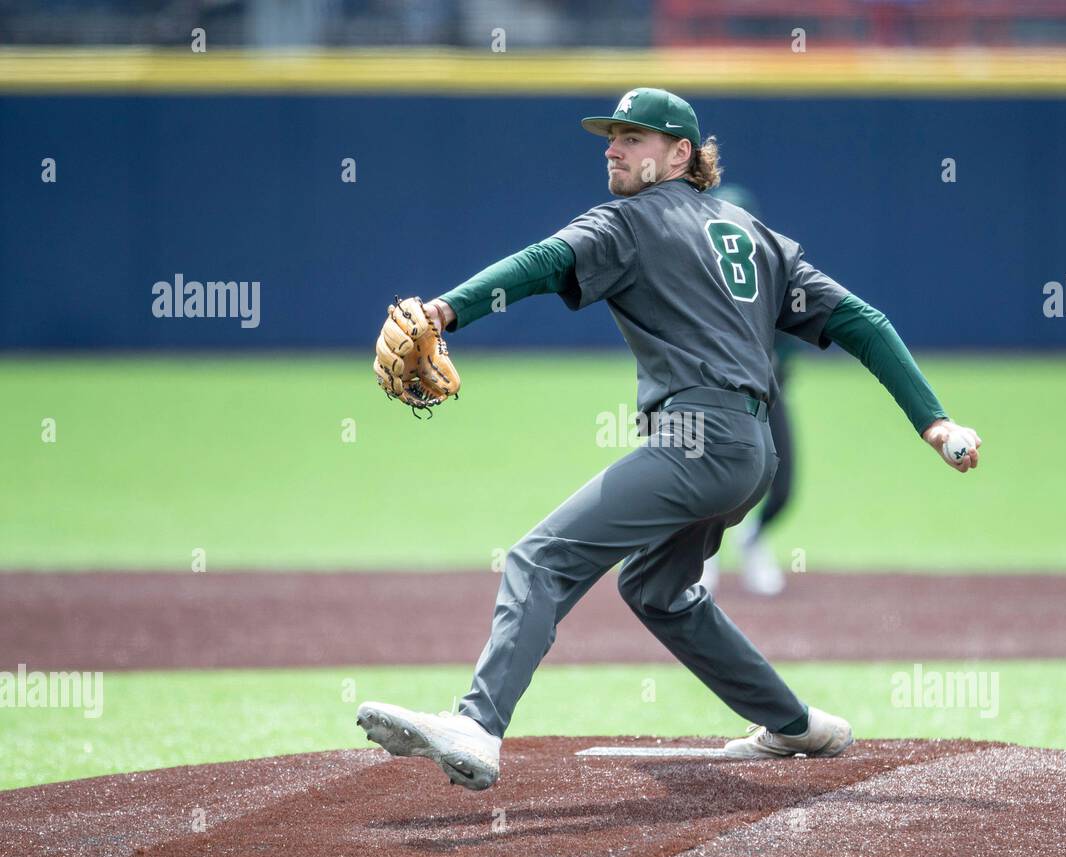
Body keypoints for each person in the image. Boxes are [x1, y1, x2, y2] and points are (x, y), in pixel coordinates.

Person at [357, 88, 981, 792]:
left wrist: (445, 309)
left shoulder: (629, 221)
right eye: (611, 136)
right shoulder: (757, 237)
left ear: (681, 154)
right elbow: (863, 322)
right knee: (658, 589)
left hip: (697, 441)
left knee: (541, 559)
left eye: (634, 137)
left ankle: (476, 722)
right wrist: (934, 420)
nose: (613, 148)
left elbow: (539, 262)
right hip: (752, 454)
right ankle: (795, 724)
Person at [699, 183, 798, 597]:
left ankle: (752, 539)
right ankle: (701, 554)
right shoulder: (692, 284)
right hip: (704, 400)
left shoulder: (774, 282)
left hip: (765, 396)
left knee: (784, 486)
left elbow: (788, 352)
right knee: (704, 483)